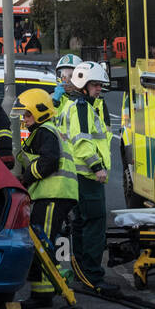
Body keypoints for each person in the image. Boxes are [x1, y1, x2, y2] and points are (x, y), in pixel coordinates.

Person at [15, 87, 77, 309]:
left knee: (42, 241)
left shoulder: (44, 132)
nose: (24, 119)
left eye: (28, 114)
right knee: (41, 240)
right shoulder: (43, 132)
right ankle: (43, 292)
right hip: (52, 194)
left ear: (40, 112)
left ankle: (53, 285)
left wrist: (25, 179)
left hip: (54, 193)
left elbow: (48, 162)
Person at [60, 61, 115, 294]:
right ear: (83, 85)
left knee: (81, 225)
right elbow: (81, 143)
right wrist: (97, 168)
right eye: (94, 85)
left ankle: (82, 273)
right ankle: (92, 275)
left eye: (100, 85)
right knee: (94, 225)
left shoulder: (78, 106)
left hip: (78, 176)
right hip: (86, 176)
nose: (99, 89)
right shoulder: (81, 107)